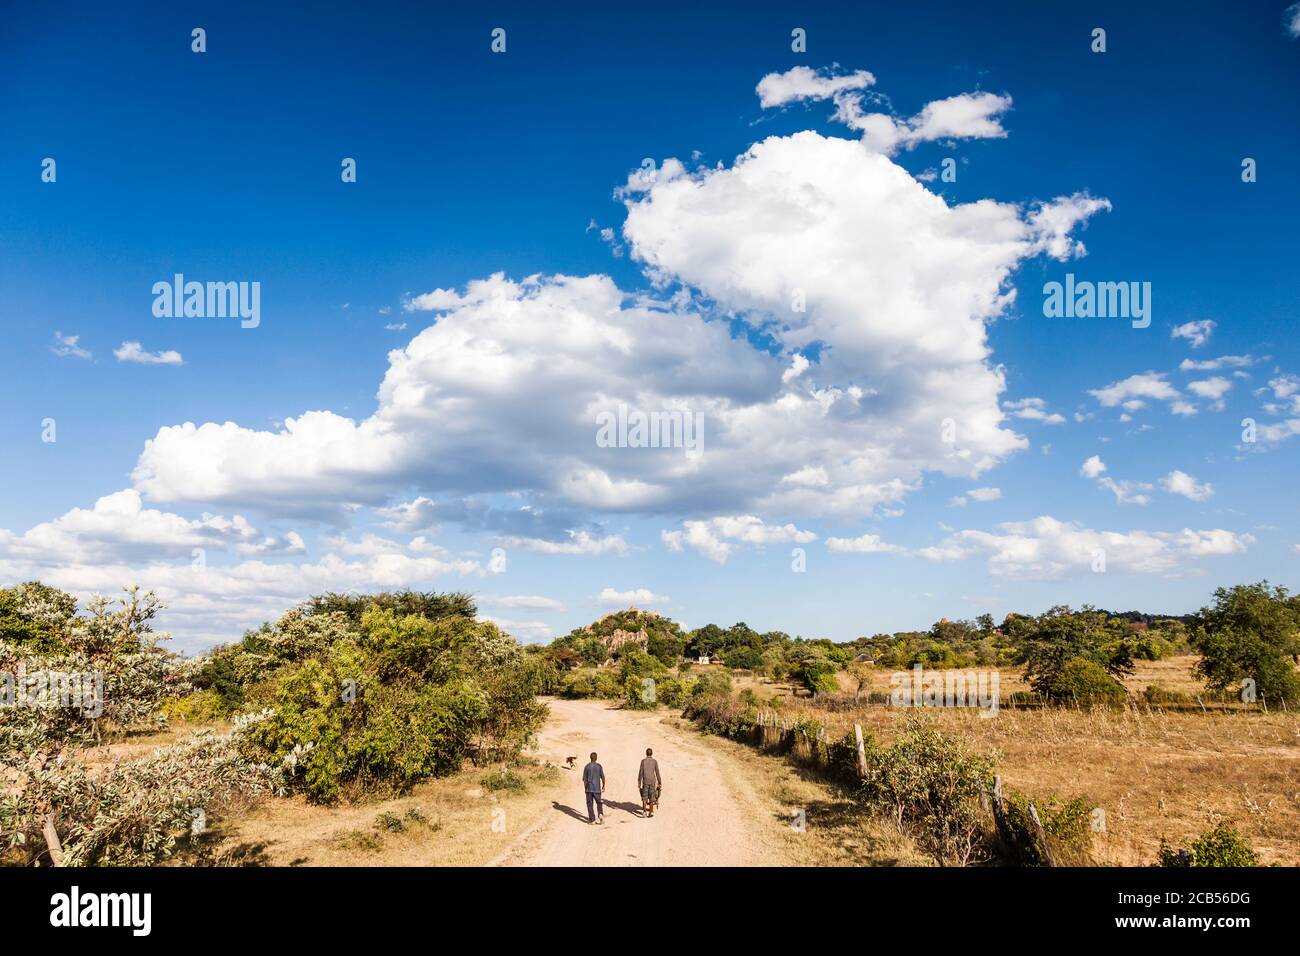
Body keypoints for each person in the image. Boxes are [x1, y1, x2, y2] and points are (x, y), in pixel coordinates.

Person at [582, 752, 606, 824]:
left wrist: (585, 788)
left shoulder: (586, 767)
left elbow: (584, 779)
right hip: (597, 789)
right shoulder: (599, 766)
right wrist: (603, 786)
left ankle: (592, 819)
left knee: (589, 804)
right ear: (596, 758)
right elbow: (603, 777)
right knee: (599, 802)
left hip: (589, 789)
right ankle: (600, 814)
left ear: (590, 758)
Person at [638, 747, 662, 817]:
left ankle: (644, 812)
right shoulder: (654, 761)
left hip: (645, 781)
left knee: (644, 797)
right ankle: (650, 812)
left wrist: (639, 782)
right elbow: (657, 773)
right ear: (652, 754)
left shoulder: (643, 761)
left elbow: (640, 773)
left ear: (646, 753)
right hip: (652, 781)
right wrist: (660, 782)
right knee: (652, 797)